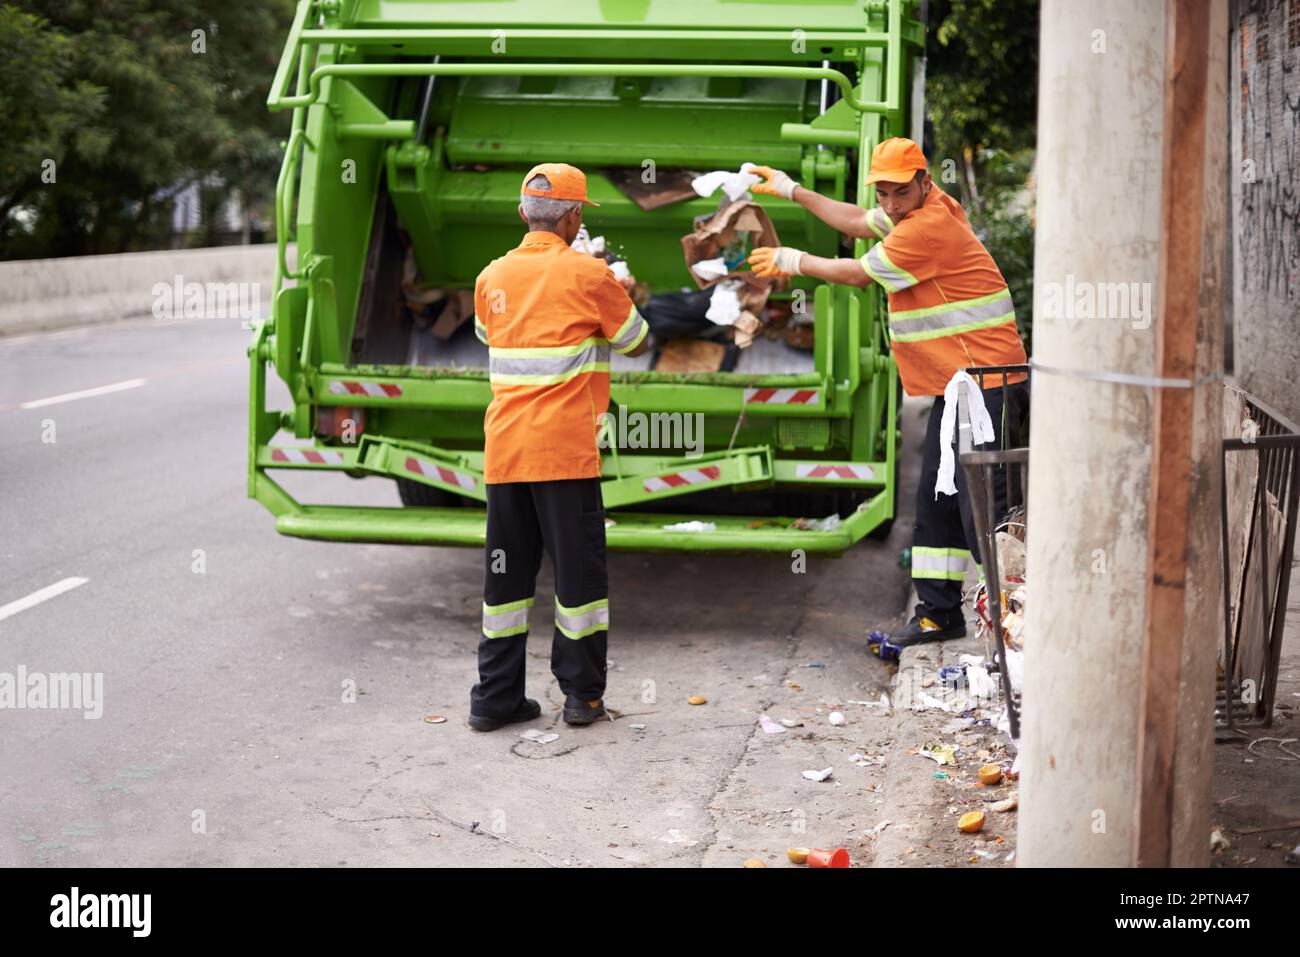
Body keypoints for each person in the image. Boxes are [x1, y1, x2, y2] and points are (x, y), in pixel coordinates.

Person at [747, 137, 1028, 647]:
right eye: (884, 195)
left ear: (924, 181)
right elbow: (856, 221)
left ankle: (1021, 631)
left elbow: (856, 274)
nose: (891, 205)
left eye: (900, 192)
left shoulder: (927, 228)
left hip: (988, 388)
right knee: (937, 506)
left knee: (986, 516)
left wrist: (793, 260)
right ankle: (938, 615)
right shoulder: (915, 212)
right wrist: (792, 190)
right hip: (961, 387)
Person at [468, 163, 651, 730]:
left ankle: (495, 700)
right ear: (573, 217)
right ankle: (581, 697)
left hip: (505, 452)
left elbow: (488, 333)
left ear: (524, 213)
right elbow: (637, 343)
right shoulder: (590, 275)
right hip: (565, 453)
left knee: (505, 582)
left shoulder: (490, 276)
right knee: (578, 582)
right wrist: (621, 292)